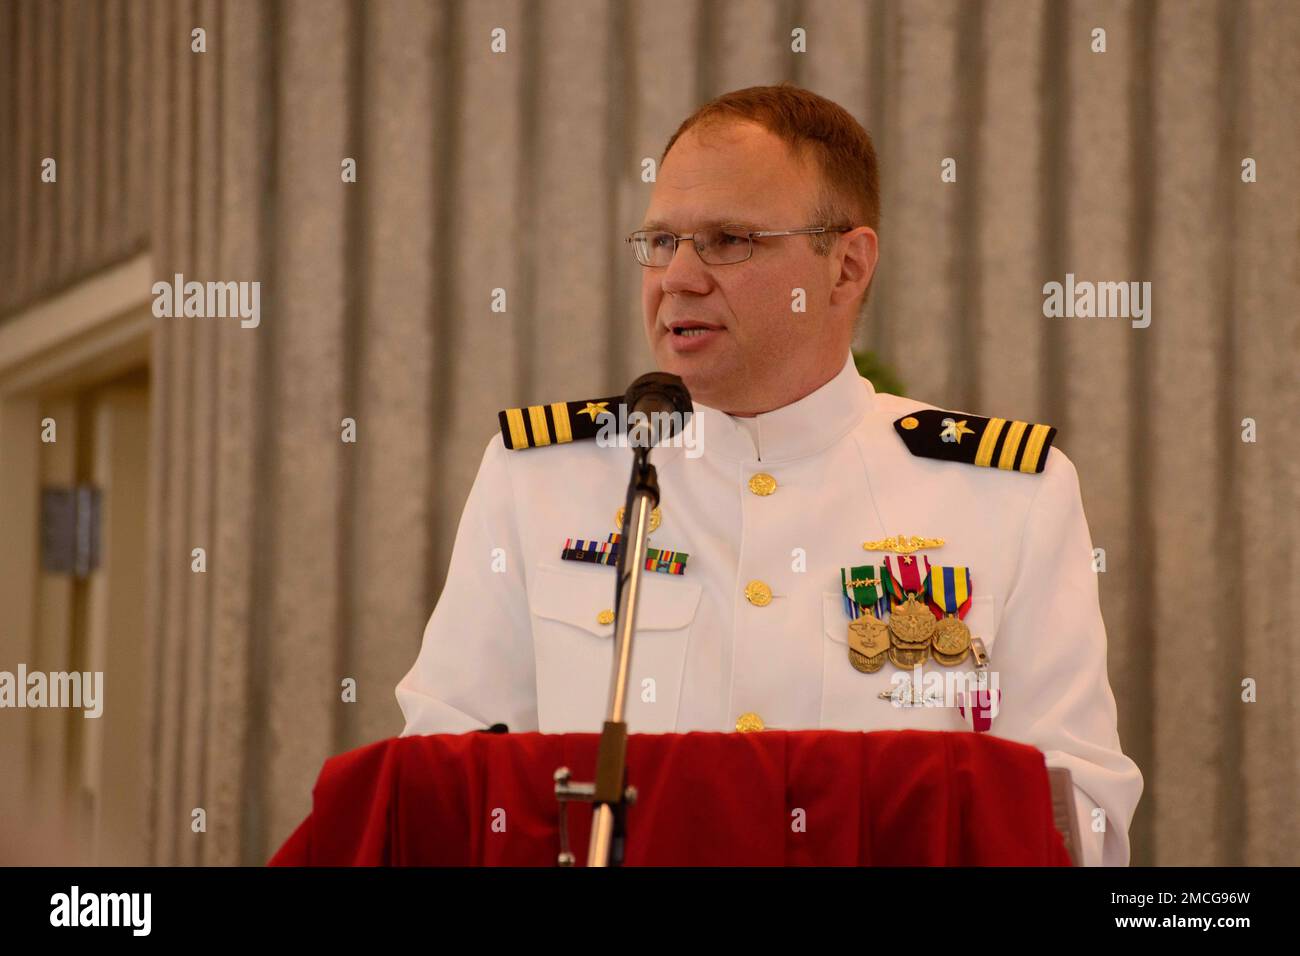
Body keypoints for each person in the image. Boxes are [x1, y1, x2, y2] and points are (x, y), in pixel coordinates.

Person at [396, 84, 1142, 867]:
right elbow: (441, 783)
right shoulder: (542, 478)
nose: (676, 278)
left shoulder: (1008, 495)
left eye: (727, 240)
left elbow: (1084, 820)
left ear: (845, 266)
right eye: (659, 241)